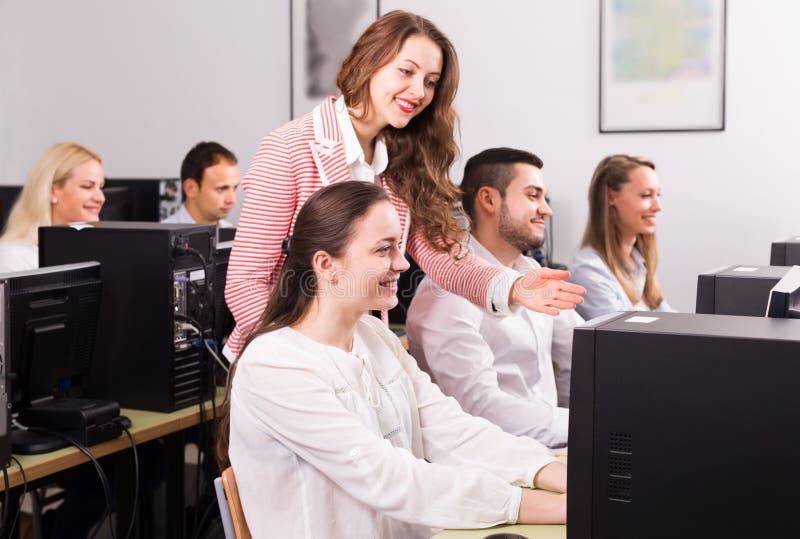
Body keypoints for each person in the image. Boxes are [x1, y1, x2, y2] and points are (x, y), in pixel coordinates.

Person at [224, 10, 584, 359]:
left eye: (430, 81)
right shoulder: (289, 147)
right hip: (285, 358)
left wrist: (514, 286)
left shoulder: (402, 162)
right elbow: (245, 284)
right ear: (369, 62)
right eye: (406, 71)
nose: (419, 91)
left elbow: (442, 256)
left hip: (357, 353)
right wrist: (303, 359)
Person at [217, 181, 567, 538]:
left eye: (399, 246)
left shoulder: (374, 335)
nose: (402, 263)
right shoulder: (274, 364)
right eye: (384, 250)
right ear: (325, 264)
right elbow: (388, 477)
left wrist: (549, 471)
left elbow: (451, 429)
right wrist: (544, 507)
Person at [406, 148, 583, 448]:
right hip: (491, 456)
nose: (546, 210)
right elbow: (480, 407)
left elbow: (580, 353)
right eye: (533, 196)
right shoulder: (447, 291)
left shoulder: (530, 271)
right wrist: (583, 425)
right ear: (488, 199)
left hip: (551, 444)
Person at [569, 154, 674, 320]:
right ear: (611, 197)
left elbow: (671, 319)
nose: (658, 207)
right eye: (646, 195)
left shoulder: (638, 261)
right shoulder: (588, 271)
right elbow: (623, 333)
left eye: (658, 195)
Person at [0, 142, 105, 272]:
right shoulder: (14, 258)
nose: (100, 198)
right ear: (51, 192)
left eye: (101, 187)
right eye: (87, 186)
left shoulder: (90, 252)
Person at [162, 141, 239, 227]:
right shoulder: (159, 234)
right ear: (190, 188)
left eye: (235, 188)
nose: (231, 200)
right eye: (221, 189)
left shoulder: (233, 232)